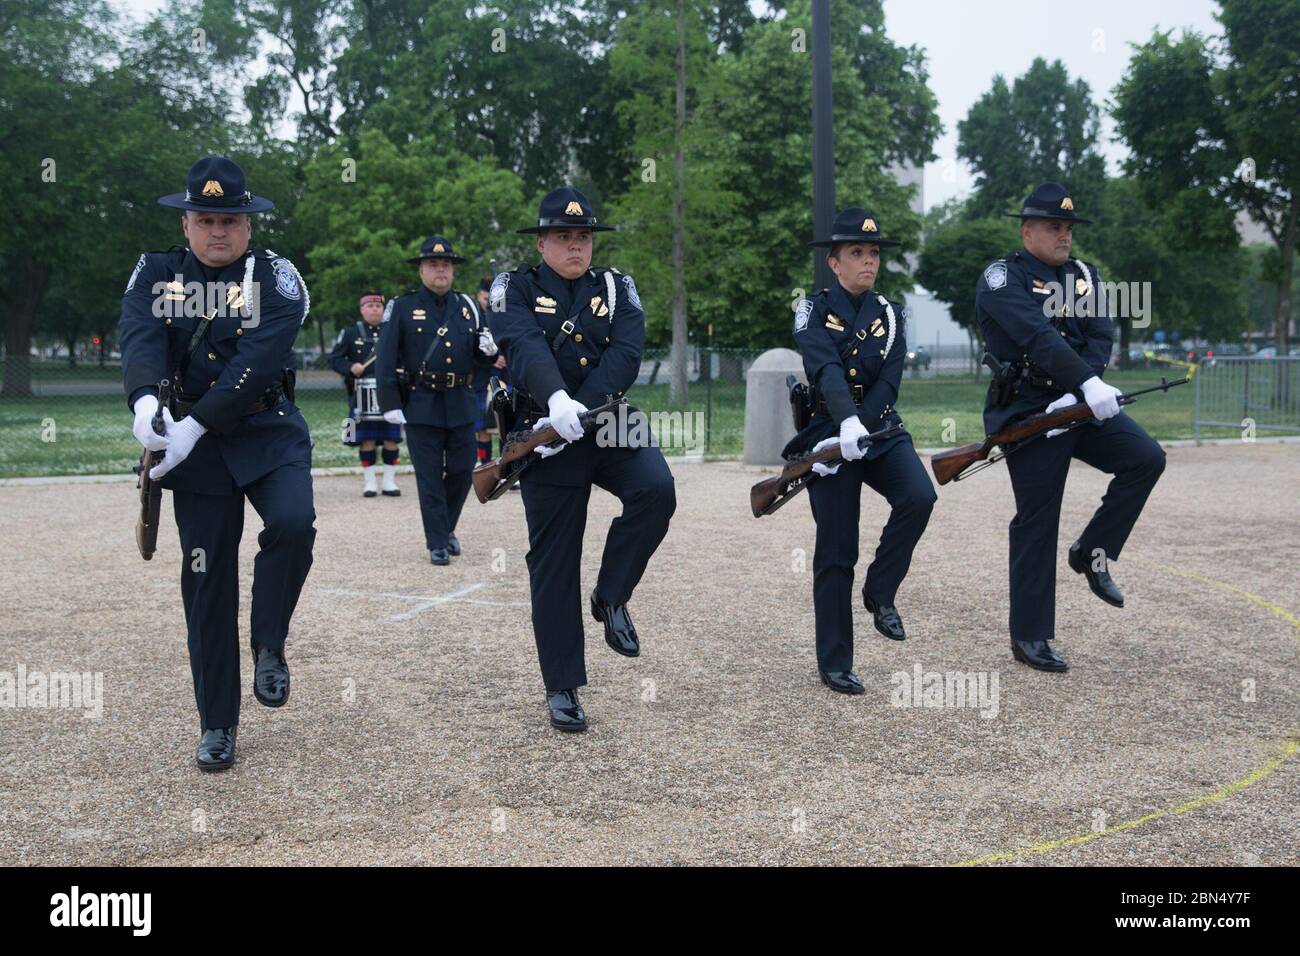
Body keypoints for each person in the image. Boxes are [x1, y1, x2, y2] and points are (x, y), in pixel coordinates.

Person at [119, 155, 315, 771]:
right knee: (206, 578)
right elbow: (140, 335)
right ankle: (218, 724)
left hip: (264, 426)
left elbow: (256, 360)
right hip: (188, 441)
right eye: (205, 219)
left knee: (293, 525)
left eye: (231, 219)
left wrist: (195, 426)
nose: (219, 231)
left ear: (249, 224)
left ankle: (269, 643)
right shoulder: (156, 271)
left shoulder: (278, 279)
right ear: (186, 225)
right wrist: (147, 402)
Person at [487, 186, 676, 732]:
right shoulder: (513, 286)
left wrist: (584, 405)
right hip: (544, 427)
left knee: (657, 491)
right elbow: (522, 343)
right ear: (542, 241)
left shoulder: (618, 287)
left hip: (609, 416)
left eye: (584, 237)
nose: (576, 246)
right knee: (554, 561)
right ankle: (562, 685)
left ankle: (612, 594)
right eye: (565, 237)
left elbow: (627, 352)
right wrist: (555, 400)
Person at [976, 182, 1166, 672]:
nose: (1064, 236)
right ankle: (1031, 636)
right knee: (1039, 517)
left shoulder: (1085, 276)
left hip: (1079, 403)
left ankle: (1091, 550)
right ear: (1027, 231)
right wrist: (1080, 382)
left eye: (1068, 228)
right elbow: (1036, 336)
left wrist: (1084, 387)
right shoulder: (1002, 278)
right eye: (1053, 227)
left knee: (1145, 458)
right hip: (1028, 411)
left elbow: (1099, 335)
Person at [784, 208, 936, 695]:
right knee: (837, 548)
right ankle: (835, 661)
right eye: (857, 252)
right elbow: (825, 366)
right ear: (834, 262)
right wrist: (843, 425)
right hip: (828, 433)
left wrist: (862, 425)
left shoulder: (890, 315)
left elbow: (889, 380)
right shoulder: (810, 310)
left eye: (872, 253)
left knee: (919, 496)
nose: (868, 261)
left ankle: (880, 590)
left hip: (877, 430)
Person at [376, 236, 498, 564]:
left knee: (460, 471)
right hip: (420, 402)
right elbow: (385, 357)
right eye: (433, 264)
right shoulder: (401, 307)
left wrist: (488, 352)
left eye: (446, 265)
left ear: (453, 271)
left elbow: (480, 356)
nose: (440, 269)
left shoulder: (468, 307)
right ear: (421, 269)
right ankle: (437, 542)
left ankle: (446, 528)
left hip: (461, 400)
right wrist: (390, 404)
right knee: (429, 476)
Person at [328, 289, 401, 497]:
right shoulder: (351, 333)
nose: (375, 309)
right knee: (366, 440)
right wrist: (350, 367)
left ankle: (389, 482)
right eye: (370, 305)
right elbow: (334, 359)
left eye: (378, 305)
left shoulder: (392, 332)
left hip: (389, 395)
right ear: (362, 309)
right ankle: (369, 483)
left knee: (391, 440)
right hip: (360, 396)